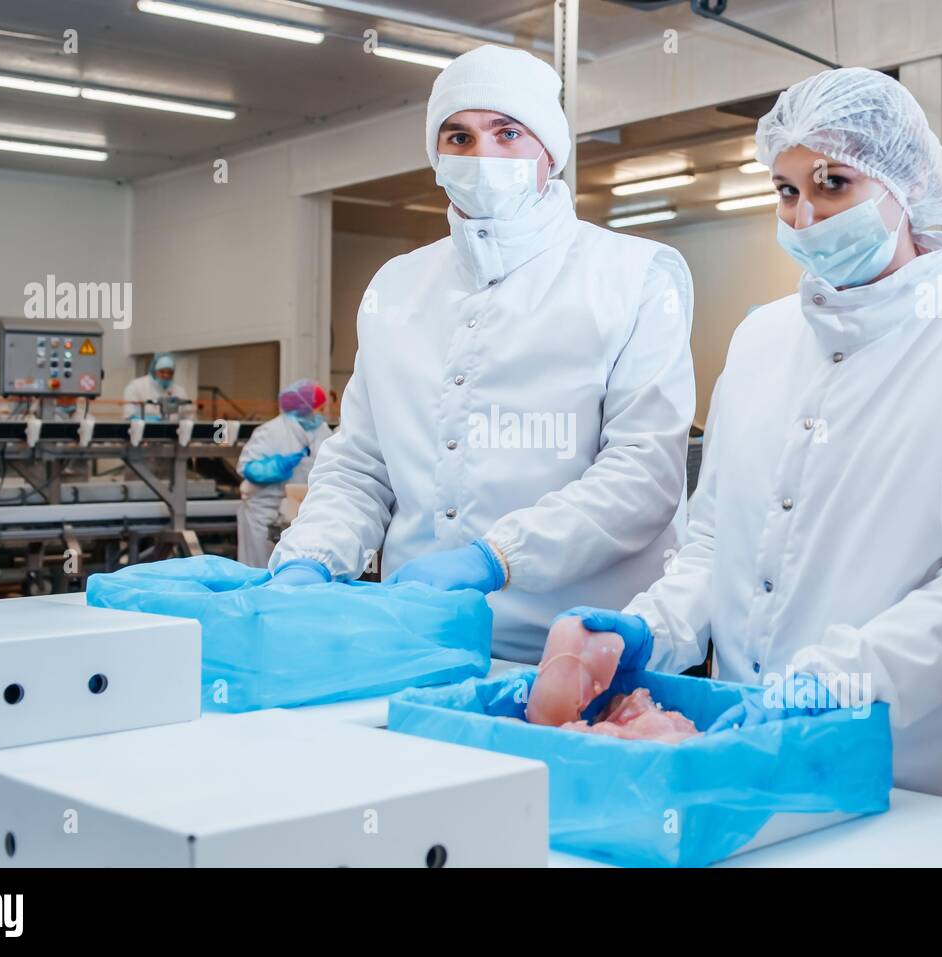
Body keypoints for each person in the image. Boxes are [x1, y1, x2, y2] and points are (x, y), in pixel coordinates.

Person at [560, 68, 942, 813]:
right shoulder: (760, 341)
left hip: (935, 770)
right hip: (767, 752)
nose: (804, 215)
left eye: (833, 182)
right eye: (785, 189)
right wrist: (654, 627)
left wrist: (844, 677)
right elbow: (716, 544)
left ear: (903, 186)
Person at [268, 44, 696, 663]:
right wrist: (313, 556)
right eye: (459, 138)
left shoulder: (631, 277)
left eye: (507, 133)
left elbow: (643, 475)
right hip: (420, 640)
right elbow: (362, 465)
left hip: (581, 652)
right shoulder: (398, 286)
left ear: (549, 151)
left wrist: (497, 558)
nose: (483, 156)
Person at [236, 378, 333, 567]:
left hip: (301, 510)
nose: (322, 413)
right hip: (264, 512)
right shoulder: (271, 431)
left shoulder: (322, 431)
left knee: (293, 567)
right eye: (319, 407)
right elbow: (247, 468)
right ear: (305, 407)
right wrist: (276, 467)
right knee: (260, 568)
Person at [121, 353, 191, 421]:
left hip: (172, 431)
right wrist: (152, 421)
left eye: (170, 373)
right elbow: (129, 416)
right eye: (162, 372)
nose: (166, 375)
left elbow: (188, 417)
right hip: (144, 431)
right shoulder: (136, 387)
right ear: (154, 371)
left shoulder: (180, 391)